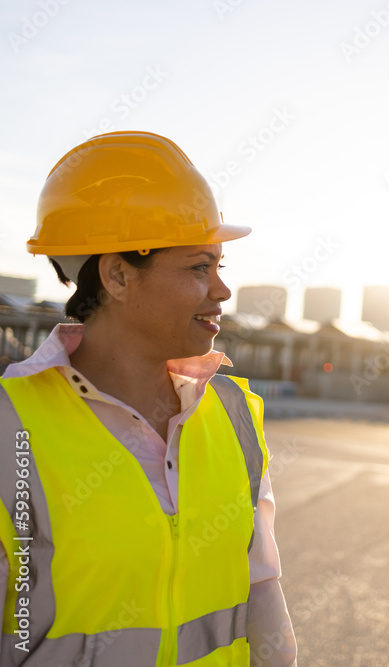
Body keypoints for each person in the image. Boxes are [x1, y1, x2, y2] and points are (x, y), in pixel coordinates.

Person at [0, 131, 296, 665]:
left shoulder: (234, 415)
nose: (222, 290)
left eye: (219, 267)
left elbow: (263, 588)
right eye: (197, 267)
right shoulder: (8, 429)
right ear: (117, 274)